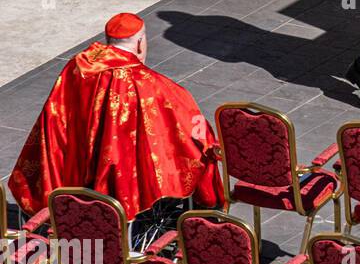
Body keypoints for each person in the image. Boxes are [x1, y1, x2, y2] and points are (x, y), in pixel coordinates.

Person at [7, 13, 223, 220]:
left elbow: (56, 114)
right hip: (119, 170)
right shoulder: (146, 82)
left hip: (73, 158)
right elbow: (187, 124)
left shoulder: (76, 65)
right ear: (140, 43)